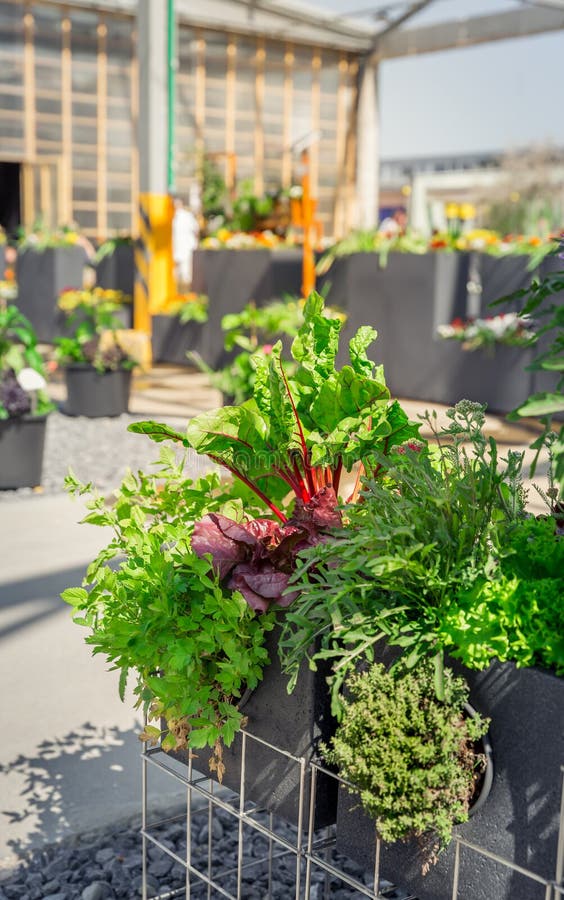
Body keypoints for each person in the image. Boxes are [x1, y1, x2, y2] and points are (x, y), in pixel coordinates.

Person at [172, 195, 199, 288]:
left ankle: (186, 294)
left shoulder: (186, 216)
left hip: (185, 246)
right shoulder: (172, 216)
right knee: (177, 273)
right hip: (176, 247)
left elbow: (195, 230)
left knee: (185, 272)